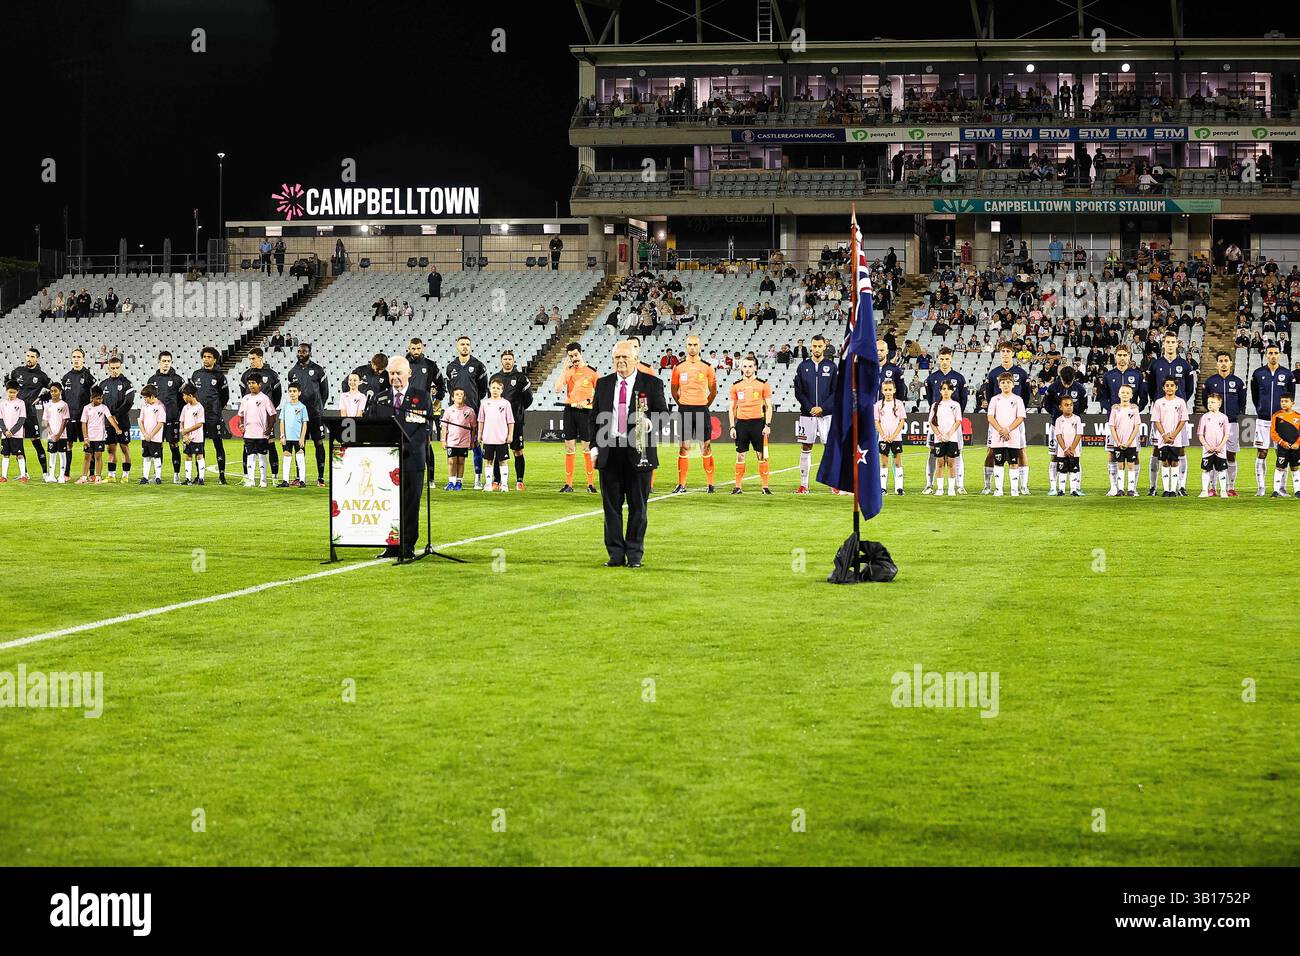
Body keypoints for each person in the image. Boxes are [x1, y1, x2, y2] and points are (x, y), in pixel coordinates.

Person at [590, 339, 667, 567]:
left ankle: (634, 556)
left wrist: (649, 424)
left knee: (638, 508)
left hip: (639, 452)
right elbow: (594, 419)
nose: (621, 361)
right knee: (611, 508)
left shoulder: (652, 383)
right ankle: (615, 555)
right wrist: (594, 447)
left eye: (625, 357)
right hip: (609, 452)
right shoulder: (603, 384)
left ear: (636, 359)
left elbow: (663, 414)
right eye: (617, 357)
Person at [364, 355, 432, 560]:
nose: (395, 377)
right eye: (391, 373)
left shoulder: (421, 396)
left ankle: (407, 544)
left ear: (409, 373)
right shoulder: (380, 398)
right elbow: (371, 427)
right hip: (386, 461)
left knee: (410, 503)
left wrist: (404, 445)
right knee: (388, 503)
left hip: (412, 459)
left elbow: (424, 430)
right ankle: (391, 544)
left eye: (398, 373)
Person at [1146, 331, 1196, 495]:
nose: (1170, 345)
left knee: (1180, 450)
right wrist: (1157, 400)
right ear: (1163, 344)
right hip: (1160, 413)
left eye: (1173, 342)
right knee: (1156, 449)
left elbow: (1189, 389)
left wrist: (1180, 401)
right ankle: (1153, 486)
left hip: (1178, 414)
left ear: (1177, 344)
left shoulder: (1185, 365)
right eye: (1167, 342)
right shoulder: (1155, 364)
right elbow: (1151, 387)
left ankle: (1181, 486)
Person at [980, 344, 1033, 494]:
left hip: (1015, 421)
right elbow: (989, 394)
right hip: (996, 422)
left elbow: (1026, 395)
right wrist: (998, 425)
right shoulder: (993, 373)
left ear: (1013, 353)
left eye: (1008, 351)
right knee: (991, 451)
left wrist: (1016, 413)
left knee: (1021, 450)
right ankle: (988, 486)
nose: (1005, 354)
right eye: (1002, 351)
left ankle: (1023, 486)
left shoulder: (1021, 373)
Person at [670, 334, 718, 494]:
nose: (692, 348)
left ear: (700, 346)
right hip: (684, 410)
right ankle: (681, 484)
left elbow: (713, 391)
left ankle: (710, 484)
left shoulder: (707, 367)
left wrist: (704, 404)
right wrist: (682, 403)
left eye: (695, 345)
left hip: (702, 409)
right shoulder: (678, 367)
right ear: (686, 346)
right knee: (684, 448)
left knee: (706, 447)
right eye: (690, 345)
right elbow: (674, 390)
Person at [1100, 346, 1147, 496]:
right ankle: (1114, 487)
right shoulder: (1108, 375)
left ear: (1129, 356)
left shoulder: (1137, 375)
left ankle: (1133, 488)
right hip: (1114, 423)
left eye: (1125, 355)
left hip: (1131, 423)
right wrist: (1110, 407)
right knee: (1112, 454)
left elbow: (1144, 396)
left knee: (1135, 454)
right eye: (1119, 355)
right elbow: (1102, 397)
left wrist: (1138, 407)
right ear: (1115, 356)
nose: (1122, 358)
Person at [793, 335, 837, 495]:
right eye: (814, 346)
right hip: (807, 414)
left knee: (829, 448)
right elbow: (798, 391)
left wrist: (822, 408)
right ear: (810, 347)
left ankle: (834, 485)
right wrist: (810, 407)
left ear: (825, 346)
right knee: (806, 447)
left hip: (827, 415)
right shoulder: (803, 366)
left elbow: (836, 391)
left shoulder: (831, 366)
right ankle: (803, 485)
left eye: (819, 346)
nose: (817, 349)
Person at [1249, 344, 1295, 497]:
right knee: (1262, 453)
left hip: (1281, 422)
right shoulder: (1258, 373)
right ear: (1266, 355)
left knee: (1282, 453)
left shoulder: (1287, 374)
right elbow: (1255, 396)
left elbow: (1290, 396)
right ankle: (1261, 488)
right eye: (1270, 353)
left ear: (1279, 355)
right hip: (1263, 421)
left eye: (1276, 353)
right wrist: (1260, 408)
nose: (1273, 355)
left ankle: (1281, 488)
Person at [922, 346, 969, 494]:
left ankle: (960, 485)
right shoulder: (932, 378)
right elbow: (931, 399)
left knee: (957, 454)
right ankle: (929, 485)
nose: (944, 362)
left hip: (953, 424)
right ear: (938, 359)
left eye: (947, 359)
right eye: (941, 359)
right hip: (937, 424)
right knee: (933, 453)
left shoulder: (959, 378)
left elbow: (963, 400)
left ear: (951, 359)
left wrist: (954, 416)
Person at [1200, 351, 1247, 496]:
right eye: (1220, 361)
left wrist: (1234, 413)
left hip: (1232, 423)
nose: (1223, 363)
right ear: (1217, 364)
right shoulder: (1210, 382)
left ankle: (1231, 487)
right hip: (1213, 425)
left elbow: (1242, 402)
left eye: (1226, 360)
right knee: (1213, 455)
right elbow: (1205, 401)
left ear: (1231, 363)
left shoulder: (1238, 382)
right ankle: (1212, 488)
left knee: (1231, 455)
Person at [555, 343, 599, 494]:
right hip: (569, 411)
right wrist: (563, 370)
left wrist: (587, 401)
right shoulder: (568, 372)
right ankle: (568, 484)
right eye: (571, 356)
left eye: (575, 355)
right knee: (569, 447)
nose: (574, 358)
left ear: (581, 353)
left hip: (586, 412)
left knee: (586, 447)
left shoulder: (592, 372)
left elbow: (600, 392)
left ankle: (590, 485)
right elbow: (557, 389)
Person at [445, 336, 489, 489]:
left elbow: (483, 390)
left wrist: (472, 402)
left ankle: (478, 479)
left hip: (472, 411)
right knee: (454, 445)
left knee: (476, 444)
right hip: (455, 414)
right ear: (457, 347)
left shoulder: (478, 366)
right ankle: (453, 480)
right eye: (462, 344)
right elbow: (450, 388)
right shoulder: (451, 367)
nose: (465, 347)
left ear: (470, 347)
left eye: (467, 344)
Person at [728, 356, 773, 496]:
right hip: (741, 424)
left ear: (755, 368)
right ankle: (737, 487)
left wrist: (767, 424)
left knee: (762, 455)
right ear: (741, 367)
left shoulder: (763, 384)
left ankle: (765, 487)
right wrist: (732, 426)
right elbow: (731, 408)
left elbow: (769, 406)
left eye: (750, 366)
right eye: (745, 366)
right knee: (740, 456)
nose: (747, 369)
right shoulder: (736, 385)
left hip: (758, 423)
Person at [404, 338, 446, 488]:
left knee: (426, 443)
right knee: (405, 442)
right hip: (405, 409)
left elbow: (441, 384)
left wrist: (437, 401)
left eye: (418, 348)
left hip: (423, 410)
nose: (416, 351)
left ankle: (431, 479)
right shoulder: (403, 364)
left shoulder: (430, 365)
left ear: (422, 348)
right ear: (409, 348)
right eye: (413, 348)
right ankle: (405, 476)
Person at [286, 342, 329, 486]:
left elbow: (324, 393)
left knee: (319, 443)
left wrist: (318, 407)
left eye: (304, 351)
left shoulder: (318, 370)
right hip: (298, 416)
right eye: (299, 351)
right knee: (299, 445)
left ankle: (321, 478)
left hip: (315, 414)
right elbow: (292, 393)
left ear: (310, 353)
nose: (301, 354)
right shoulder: (292, 372)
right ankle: (299, 477)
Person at [1042, 366, 1089, 496]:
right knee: (1054, 456)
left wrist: (1074, 415)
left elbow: (1084, 405)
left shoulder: (1080, 389)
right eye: (1065, 382)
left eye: (1069, 383)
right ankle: (1053, 487)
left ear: (1074, 378)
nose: (1067, 385)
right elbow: (1046, 404)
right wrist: (1055, 414)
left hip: (1073, 427)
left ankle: (1077, 487)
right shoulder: (1053, 388)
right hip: (1056, 425)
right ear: (1060, 378)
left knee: (1076, 456)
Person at [239, 348, 282, 483]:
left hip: (266, 418)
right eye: (249, 359)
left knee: (270, 444)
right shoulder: (246, 375)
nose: (251, 361)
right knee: (247, 445)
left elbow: (277, 396)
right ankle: (246, 476)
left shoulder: (272, 375)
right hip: (251, 419)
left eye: (253, 358)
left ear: (260, 358)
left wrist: (268, 411)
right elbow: (244, 394)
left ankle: (274, 476)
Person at [494, 349, 533, 491]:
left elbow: (528, 399)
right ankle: (497, 481)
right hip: (498, 422)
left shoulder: (521, 378)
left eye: (510, 359)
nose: (507, 361)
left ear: (513, 360)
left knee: (518, 451)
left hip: (516, 420)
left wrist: (518, 410)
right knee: (498, 451)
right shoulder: (495, 377)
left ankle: (519, 481)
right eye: (505, 359)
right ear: (501, 361)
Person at [11, 348, 52, 480]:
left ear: (37, 359)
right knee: (18, 443)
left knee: (36, 442)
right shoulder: (17, 372)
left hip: (33, 414)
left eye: (32, 356)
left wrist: (42, 398)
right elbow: (10, 387)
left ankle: (45, 474)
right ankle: (24, 474)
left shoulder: (41, 376)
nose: (29, 358)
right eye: (28, 356)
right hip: (17, 414)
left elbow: (54, 389)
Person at [149, 351, 188, 484]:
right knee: (157, 446)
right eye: (163, 361)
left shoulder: (178, 379)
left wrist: (179, 415)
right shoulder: (152, 380)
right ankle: (157, 475)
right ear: (159, 362)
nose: (166, 364)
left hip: (172, 418)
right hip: (157, 421)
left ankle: (176, 475)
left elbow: (183, 401)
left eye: (168, 361)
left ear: (171, 362)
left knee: (174, 445)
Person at [986, 373, 1026, 496]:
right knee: (998, 462)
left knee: (1014, 462)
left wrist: (1008, 429)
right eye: (1003, 382)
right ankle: (999, 489)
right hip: (998, 437)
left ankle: (1014, 490)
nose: (1006, 385)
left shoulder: (1018, 399)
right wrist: (1000, 430)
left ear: (1013, 384)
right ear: (999, 385)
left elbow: (1020, 417)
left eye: (1008, 382)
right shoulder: (994, 399)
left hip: (1012, 437)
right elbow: (990, 417)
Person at [60, 349, 95, 481]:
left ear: (83, 359)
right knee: (68, 444)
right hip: (70, 416)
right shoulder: (66, 377)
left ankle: (91, 473)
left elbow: (95, 396)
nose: (76, 359)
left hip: (85, 418)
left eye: (79, 357)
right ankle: (66, 473)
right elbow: (64, 398)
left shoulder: (88, 377)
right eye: (74, 357)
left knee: (88, 443)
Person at [1151, 377, 1189, 497]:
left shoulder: (1180, 402)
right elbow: (1156, 420)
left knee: (1175, 461)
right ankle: (1166, 489)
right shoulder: (1158, 402)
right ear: (1163, 388)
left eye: (1172, 385)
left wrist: (1174, 434)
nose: (1169, 388)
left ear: (1176, 387)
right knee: (1165, 461)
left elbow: (1183, 420)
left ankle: (1173, 490)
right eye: (1167, 385)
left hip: (1175, 438)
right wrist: (1163, 435)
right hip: (1162, 438)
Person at [99, 356, 134, 483]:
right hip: (108, 423)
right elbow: (100, 404)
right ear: (108, 368)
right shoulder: (103, 384)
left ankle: (125, 475)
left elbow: (128, 402)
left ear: (121, 367)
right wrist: (109, 417)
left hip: (122, 422)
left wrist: (116, 415)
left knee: (124, 447)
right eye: (112, 368)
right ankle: (111, 475)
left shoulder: (127, 384)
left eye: (117, 368)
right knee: (110, 448)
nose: (115, 370)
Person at [477, 377, 515, 493]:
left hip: (501, 438)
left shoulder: (506, 404)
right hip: (488, 438)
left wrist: (510, 435)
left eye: (498, 388)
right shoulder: (485, 403)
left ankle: (504, 485)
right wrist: (479, 434)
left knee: (503, 461)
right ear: (489, 389)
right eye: (493, 387)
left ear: (501, 390)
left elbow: (510, 421)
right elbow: (481, 420)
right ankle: (488, 484)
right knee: (488, 461)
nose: (495, 390)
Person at [237, 377, 277, 488]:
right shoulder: (245, 398)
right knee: (250, 456)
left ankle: (263, 481)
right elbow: (240, 414)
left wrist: (269, 428)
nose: (251, 385)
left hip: (261, 434)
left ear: (259, 384)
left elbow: (273, 414)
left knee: (262, 457)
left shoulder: (264, 398)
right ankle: (251, 480)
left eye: (253, 383)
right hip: (248, 433)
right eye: (249, 383)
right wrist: (241, 425)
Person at [78, 386, 119, 485]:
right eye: (98, 398)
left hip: (100, 437)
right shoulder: (86, 408)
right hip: (89, 437)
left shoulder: (104, 407)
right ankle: (84, 477)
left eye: (101, 398)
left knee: (98, 456)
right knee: (87, 456)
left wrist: (117, 428)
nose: (100, 400)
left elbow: (110, 418)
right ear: (92, 398)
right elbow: (83, 423)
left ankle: (98, 477)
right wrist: (85, 438)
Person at [1108, 384, 1143, 497]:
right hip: (1118, 443)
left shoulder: (1134, 409)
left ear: (1132, 395)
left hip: (1131, 443)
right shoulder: (1115, 409)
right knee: (1120, 465)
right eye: (1123, 392)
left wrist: (1128, 442)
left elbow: (1136, 427)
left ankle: (1131, 489)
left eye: (1128, 393)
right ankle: (1120, 489)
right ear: (1119, 394)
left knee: (1131, 465)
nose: (1125, 394)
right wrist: (1118, 442)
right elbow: (1112, 427)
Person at [929, 381, 963, 496]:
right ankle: (940, 488)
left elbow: (958, 421)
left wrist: (949, 434)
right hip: (939, 439)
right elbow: (932, 422)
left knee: (951, 463)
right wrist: (939, 435)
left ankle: (951, 489)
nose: (946, 391)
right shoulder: (935, 405)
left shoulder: (956, 405)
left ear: (952, 391)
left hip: (952, 438)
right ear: (940, 391)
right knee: (940, 463)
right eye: (944, 389)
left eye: (948, 389)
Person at [439, 387, 476, 491]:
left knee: (461, 461)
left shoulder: (469, 411)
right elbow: (444, 426)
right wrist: (443, 440)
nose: (459, 396)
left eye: (461, 394)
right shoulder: (448, 410)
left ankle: (459, 482)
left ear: (465, 397)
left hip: (464, 441)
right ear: (452, 397)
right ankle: (451, 482)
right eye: (457, 394)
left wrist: (472, 441)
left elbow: (473, 427)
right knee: (451, 461)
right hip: (452, 441)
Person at [875, 378, 907, 496]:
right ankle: (883, 488)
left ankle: (899, 488)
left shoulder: (899, 404)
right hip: (883, 438)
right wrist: (883, 435)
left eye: (890, 390)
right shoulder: (878, 405)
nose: (888, 392)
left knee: (897, 462)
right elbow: (876, 421)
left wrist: (893, 436)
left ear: (894, 390)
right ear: (882, 391)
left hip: (896, 438)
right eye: (886, 390)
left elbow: (902, 421)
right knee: (884, 462)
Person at [1197, 392, 1231, 498]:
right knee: (1206, 469)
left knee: (1222, 470)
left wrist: (1220, 446)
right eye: (1208, 402)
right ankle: (1204, 490)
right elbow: (1200, 434)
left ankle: (1223, 491)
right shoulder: (1204, 417)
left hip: (1220, 450)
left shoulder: (1224, 417)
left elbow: (1226, 434)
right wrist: (1206, 446)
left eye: (1212, 402)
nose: (1210, 404)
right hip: (1207, 450)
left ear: (1219, 404)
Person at [277, 384, 310, 488]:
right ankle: (285, 481)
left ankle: (302, 481)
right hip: (287, 438)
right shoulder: (285, 406)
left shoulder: (302, 407)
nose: (292, 393)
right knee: (286, 459)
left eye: (294, 391)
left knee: (300, 459)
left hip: (298, 438)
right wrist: (282, 435)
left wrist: (302, 438)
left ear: (299, 393)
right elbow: (282, 421)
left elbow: (305, 423)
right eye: (290, 391)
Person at [135, 384, 167, 485]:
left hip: (155, 438)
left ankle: (158, 477)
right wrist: (145, 434)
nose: (144, 399)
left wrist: (151, 435)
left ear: (152, 396)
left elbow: (160, 423)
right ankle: (145, 477)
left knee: (156, 457)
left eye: (146, 397)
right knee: (146, 457)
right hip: (145, 437)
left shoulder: (160, 407)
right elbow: (140, 421)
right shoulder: (144, 407)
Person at [1052, 395, 1084, 497]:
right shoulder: (1058, 420)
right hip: (1062, 451)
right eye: (1066, 405)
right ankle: (1061, 490)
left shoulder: (1077, 419)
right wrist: (1065, 449)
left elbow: (1079, 434)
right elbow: (1058, 435)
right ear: (1060, 407)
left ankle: (1073, 490)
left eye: (1071, 405)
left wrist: (1072, 448)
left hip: (1074, 451)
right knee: (1062, 470)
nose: (1069, 407)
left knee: (1073, 470)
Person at [40, 382, 70, 483]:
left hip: (62, 435)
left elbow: (65, 420)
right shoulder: (47, 405)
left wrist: (59, 434)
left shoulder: (64, 405)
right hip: (51, 436)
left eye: (55, 391)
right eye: (51, 391)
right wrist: (52, 434)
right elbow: (45, 421)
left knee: (62, 454)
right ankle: (51, 476)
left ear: (60, 391)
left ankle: (61, 476)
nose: (53, 393)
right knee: (52, 455)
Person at [1270, 394, 1300, 497]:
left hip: (1295, 448)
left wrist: (1297, 443)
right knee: (1280, 468)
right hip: (1283, 447)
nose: (1283, 403)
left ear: (1292, 403)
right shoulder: (1276, 416)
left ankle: (1297, 491)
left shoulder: (1298, 416)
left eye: (1286, 401)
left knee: (1295, 468)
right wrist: (1282, 442)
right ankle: (1276, 491)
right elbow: (1273, 433)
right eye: (1282, 401)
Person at [0, 381, 28, 482]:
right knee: (5, 455)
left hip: (17, 435)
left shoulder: (20, 403)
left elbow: (22, 419)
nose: (12, 394)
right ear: (6, 391)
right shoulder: (2, 403)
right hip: (5, 435)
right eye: (10, 392)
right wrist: (5, 431)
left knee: (19, 455)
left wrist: (11, 432)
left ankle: (23, 476)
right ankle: (4, 476)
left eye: (14, 392)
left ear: (17, 392)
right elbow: (0, 419)